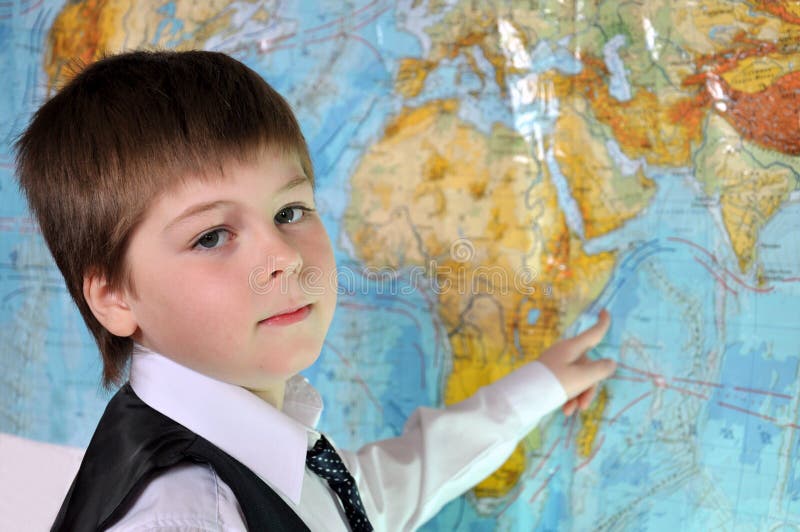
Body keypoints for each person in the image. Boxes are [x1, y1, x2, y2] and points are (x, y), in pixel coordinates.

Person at [14, 50, 617, 531]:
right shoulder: (190, 514)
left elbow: (379, 492)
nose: (281, 257)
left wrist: (540, 387)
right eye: (211, 236)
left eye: (290, 211)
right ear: (115, 298)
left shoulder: (265, 453)